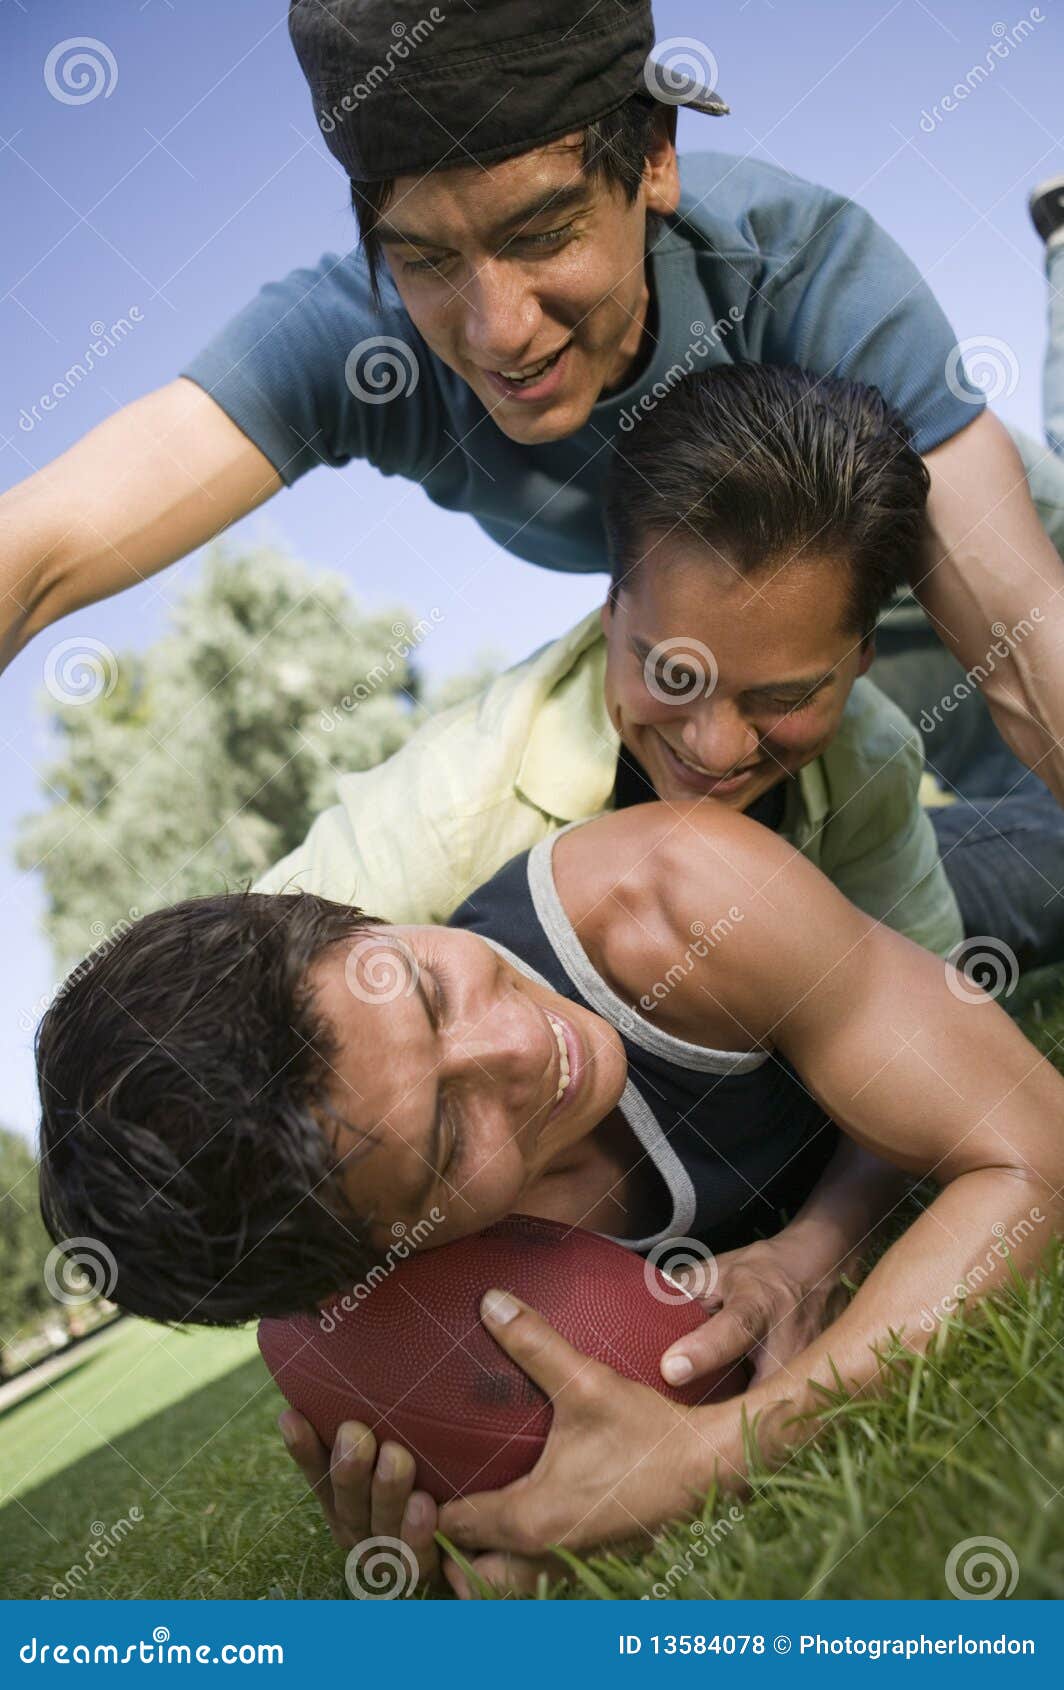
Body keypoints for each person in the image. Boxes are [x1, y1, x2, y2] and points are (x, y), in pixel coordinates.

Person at [4, 0, 1064, 811]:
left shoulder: (798, 269)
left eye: (542, 234)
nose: (497, 331)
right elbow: (39, 552)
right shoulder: (364, 346)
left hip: (965, 542)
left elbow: (1020, 639)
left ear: (653, 159)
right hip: (771, 660)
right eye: (424, 258)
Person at [34, 800, 1064, 1596]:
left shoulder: (679, 896)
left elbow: (1026, 1150)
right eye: (445, 1137)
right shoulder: (411, 1307)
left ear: (360, 921)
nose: (526, 1043)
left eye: (427, 990)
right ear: (379, 1258)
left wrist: (725, 1445)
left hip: (914, 902)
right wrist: (469, 1530)